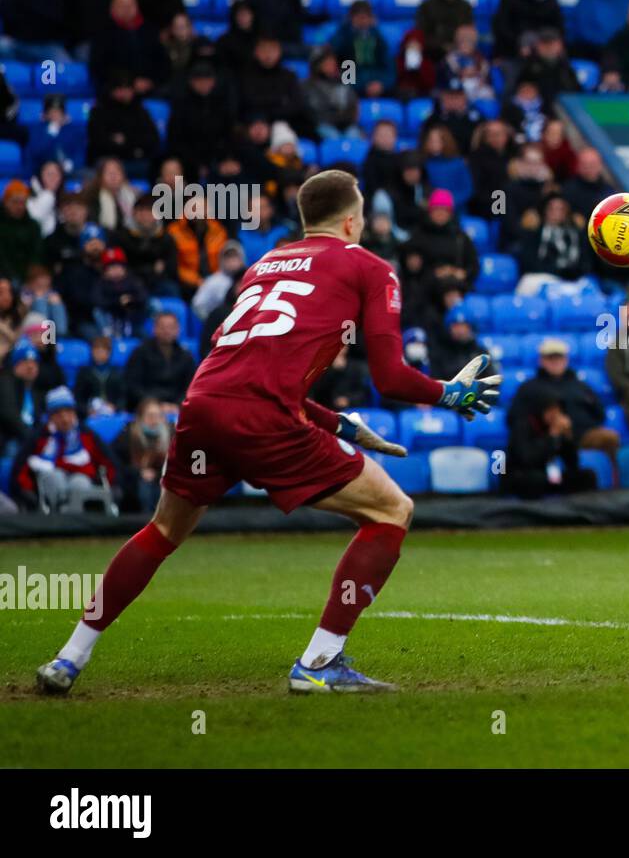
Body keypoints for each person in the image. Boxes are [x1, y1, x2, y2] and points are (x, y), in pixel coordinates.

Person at [36, 169, 502, 696]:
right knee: (392, 511)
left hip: (204, 403)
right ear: (352, 219)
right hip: (261, 416)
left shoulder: (265, 263)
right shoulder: (368, 266)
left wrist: (343, 424)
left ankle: (69, 657)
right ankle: (320, 662)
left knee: (162, 532)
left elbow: (242, 361)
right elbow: (389, 377)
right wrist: (448, 393)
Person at [12, 385, 117, 513]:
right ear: (50, 416)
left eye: (68, 412)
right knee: (55, 478)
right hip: (50, 483)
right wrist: (26, 491)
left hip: (81, 478)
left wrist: (116, 486)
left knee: (80, 483)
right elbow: (20, 469)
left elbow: (109, 463)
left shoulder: (86, 434)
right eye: (59, 414)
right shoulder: (39, 437)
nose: (65, 419)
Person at [112, 397, 172, 512]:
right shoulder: (127, 437)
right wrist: (139, 473)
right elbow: (117, 464)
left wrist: (157, 474)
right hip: (133, 482)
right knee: (145, 488)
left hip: (162, 479)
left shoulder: (170, 436)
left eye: (158, 416)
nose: (154, 420)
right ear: (140, 418)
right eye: (150, 416)